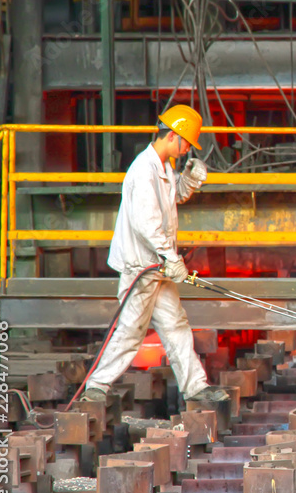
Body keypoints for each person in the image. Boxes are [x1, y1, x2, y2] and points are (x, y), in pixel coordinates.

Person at [81, 105, 229, 404]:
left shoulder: (162, 167)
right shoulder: (143, 170)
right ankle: (96, 386)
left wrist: (188, 180)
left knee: (175, 325)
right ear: (173, 136)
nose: (187, 149)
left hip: (157, 268)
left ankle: (196, 387)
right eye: (187, 142)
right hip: (141, 267)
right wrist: (171, 257)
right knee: (132, 330)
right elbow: (146, 223)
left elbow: (173, 196)